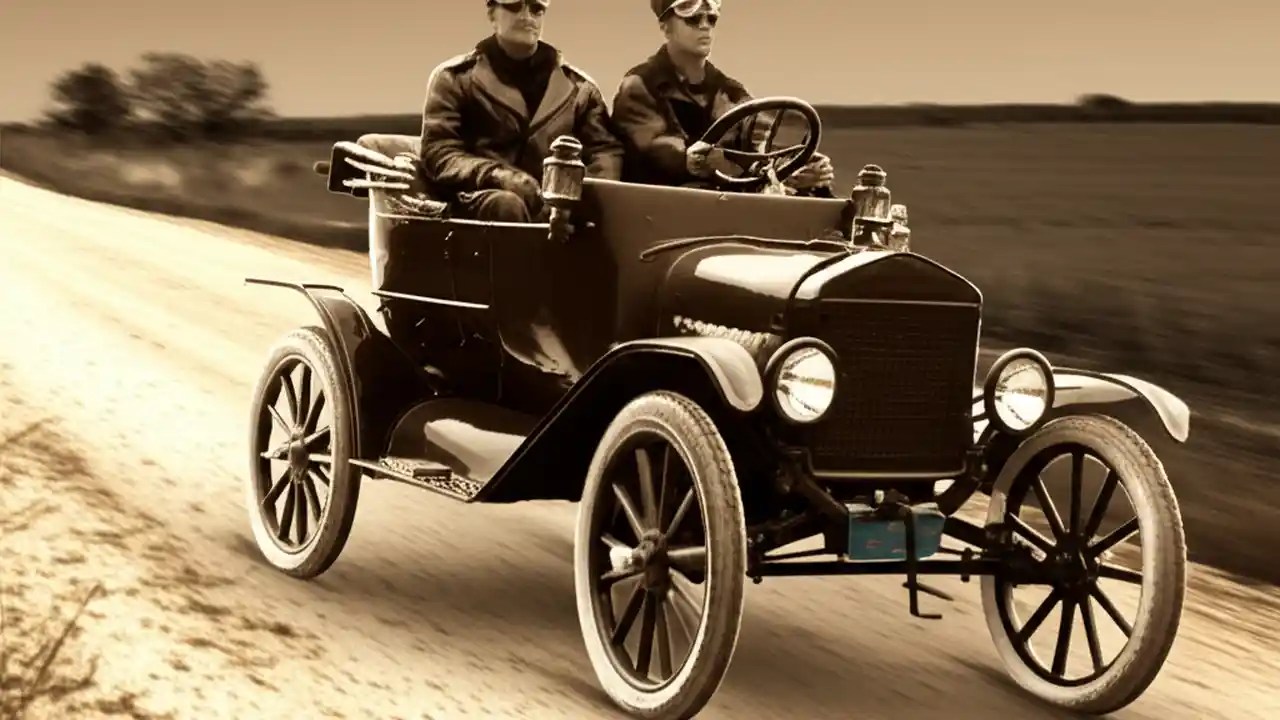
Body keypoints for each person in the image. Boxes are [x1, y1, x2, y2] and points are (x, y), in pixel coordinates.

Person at [417, 0, 625, 222]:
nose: (526, 16)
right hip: (478, 200)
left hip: (558, 209)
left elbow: (605, 153)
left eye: (536, 8)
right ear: (492, 14)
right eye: (514, 5)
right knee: (506, 205)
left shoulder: (579, 89)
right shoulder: (455, 79)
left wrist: (571, 199)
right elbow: (438, 151)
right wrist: (497, 175)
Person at [611, 0, 835, 194]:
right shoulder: (640, 85)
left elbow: (758, 137)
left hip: (719, 205)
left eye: (711, 19)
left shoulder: (730, 91)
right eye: (693, 20)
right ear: (665, 27)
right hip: (656, 207)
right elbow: (655, 147)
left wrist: (795, 166)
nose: (705, 27)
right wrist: (689, 160)